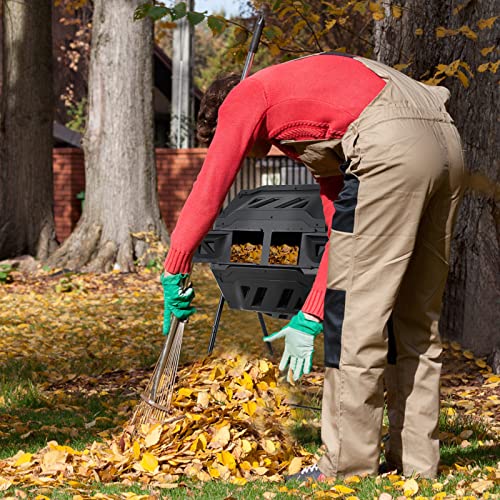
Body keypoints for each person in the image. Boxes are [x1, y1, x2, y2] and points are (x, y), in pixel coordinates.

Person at [161, 52, 465, 481]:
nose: (259, 151)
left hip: (387, 145)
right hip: (444, 143)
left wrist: (176, 267)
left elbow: (211, 187)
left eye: (247, 144)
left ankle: (346, 466)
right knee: (415, 318)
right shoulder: (316, 112)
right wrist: (310, 315)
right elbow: (340, 239)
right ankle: (417, 464)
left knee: (356, 319)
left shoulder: (247, 96)